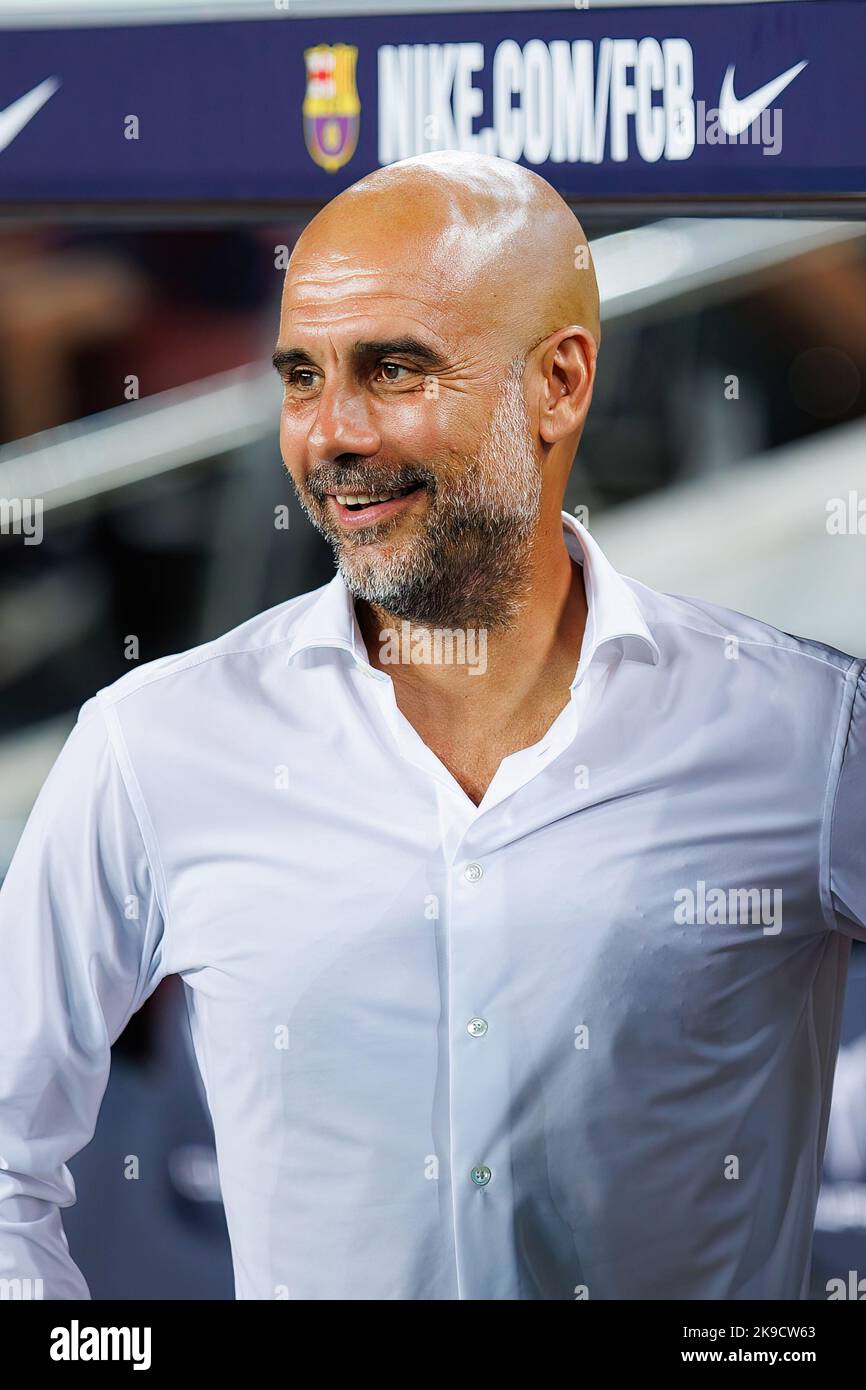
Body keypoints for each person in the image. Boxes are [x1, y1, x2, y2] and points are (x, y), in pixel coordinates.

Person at [0, 151, 864, 1301]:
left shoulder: (800, 729)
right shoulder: (151, 744)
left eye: (392, 368)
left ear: (557, 384)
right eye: (300, 379)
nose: (331, 435)